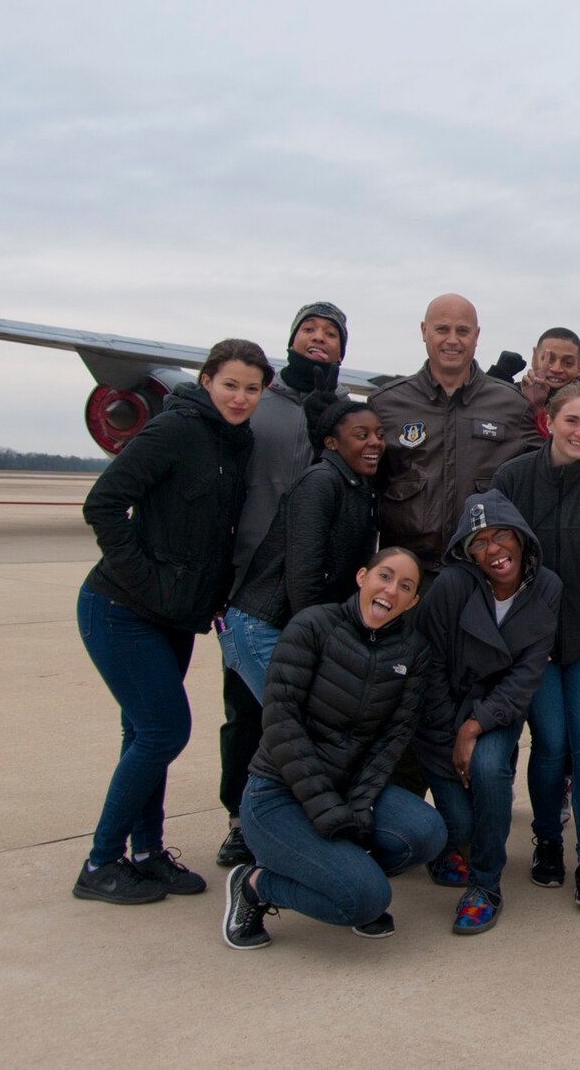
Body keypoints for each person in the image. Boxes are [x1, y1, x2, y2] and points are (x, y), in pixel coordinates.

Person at [73, 338, 269, 905]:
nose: (240, 396)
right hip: (120, 608)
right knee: (164, 731)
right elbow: (103, 504)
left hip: (174, 617)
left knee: (143, 734)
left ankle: (147, 853)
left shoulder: (236, 442)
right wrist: (145, 578)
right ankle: (101, 861)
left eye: (251, 388)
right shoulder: (175, 429)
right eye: (230, 384)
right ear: (207, 380)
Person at [222, 548, 447, 948]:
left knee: (426, 834)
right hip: (278, 793)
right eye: (385, 576)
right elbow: (281, 723)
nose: (391, 590)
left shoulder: (413, 653)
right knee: (364, 900)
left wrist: (358, 808)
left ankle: (342, 871)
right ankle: (256, 884)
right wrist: (329, 811)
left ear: (413, 601)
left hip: (345, 792)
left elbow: (392, 741)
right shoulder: (312, 626)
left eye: (406, 586)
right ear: (362, 576)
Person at [489, 382, 580, 909]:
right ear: (549, 422)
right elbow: (494, 555)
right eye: (572, 421)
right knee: (550, 745)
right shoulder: (513, 477)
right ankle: (548, 839)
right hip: (534, 642)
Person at [216, 302, 348, 871]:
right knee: (249, 711)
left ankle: (299, 813)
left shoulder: (343, 415)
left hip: (322, 592)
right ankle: (240, 819)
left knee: (316, 709)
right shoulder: (256, 406)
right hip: (251, 586)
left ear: (343, 351)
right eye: (309, 330)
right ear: (291, 340)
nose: (319, 339)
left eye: (331, 334)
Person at [413, 491, 562, 935]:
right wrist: (451, 732)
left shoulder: (547, 588)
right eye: (479, 542)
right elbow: (429, 664)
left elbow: (526, 673)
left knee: (489, 765)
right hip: (439, 710)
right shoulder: (452, 586)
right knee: (460, 822)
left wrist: (475, 727)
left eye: (502, 536)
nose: (494, 550)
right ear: (466, 551)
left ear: (521, 538)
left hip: (497, 705)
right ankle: (448, 846)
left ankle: (485, 884)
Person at [220, 393, 384, 701]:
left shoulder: (358, 486)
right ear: (332, 443)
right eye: (362, 435)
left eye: (379, 435)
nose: (375, 442)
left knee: (294, 735)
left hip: (293, 625)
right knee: (298, 731)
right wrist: (317, 644)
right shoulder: (321, 482)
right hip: (264, 627)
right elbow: (304, 571)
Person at [371, 293, 541, 577]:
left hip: (483, 573)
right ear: (424, 331)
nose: (452, 340)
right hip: (408, 573)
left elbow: (545, 471)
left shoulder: (512, 405)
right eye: (442, 329)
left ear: (477, 336)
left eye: (462, 331)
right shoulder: (386, 404)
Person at [519, 327, 580, 439]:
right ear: (534, 359)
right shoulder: (512, 395)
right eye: (548, 359)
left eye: (568, 363)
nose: (557, 369)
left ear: (578, 368)